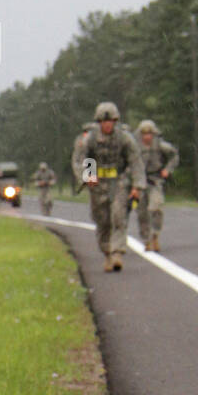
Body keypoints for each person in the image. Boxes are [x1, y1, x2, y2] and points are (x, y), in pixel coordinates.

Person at [77, 102, 146, 272]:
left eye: (110, 121)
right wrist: (88, 175)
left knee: (118, 216)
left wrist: (137, 185)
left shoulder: (124, 138)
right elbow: (81, 157)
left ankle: (117, 253)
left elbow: (135, 161)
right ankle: (107, 252)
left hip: (119, 181)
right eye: (103, 121)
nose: (107, 124)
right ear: (99, 122)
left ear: (115, 121)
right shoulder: (90, 139)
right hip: (98, 184)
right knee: (102, 220)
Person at [134, 120, 179, 252]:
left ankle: (155, 235)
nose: (147, 137)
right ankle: (146, 239)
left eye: (150, 134)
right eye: (144, 133)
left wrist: (168, 169)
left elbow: (174, 155)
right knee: (142, 213)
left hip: (155, 180)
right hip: (139, 181)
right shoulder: (134, 147)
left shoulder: (160, 145)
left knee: (156, 207)